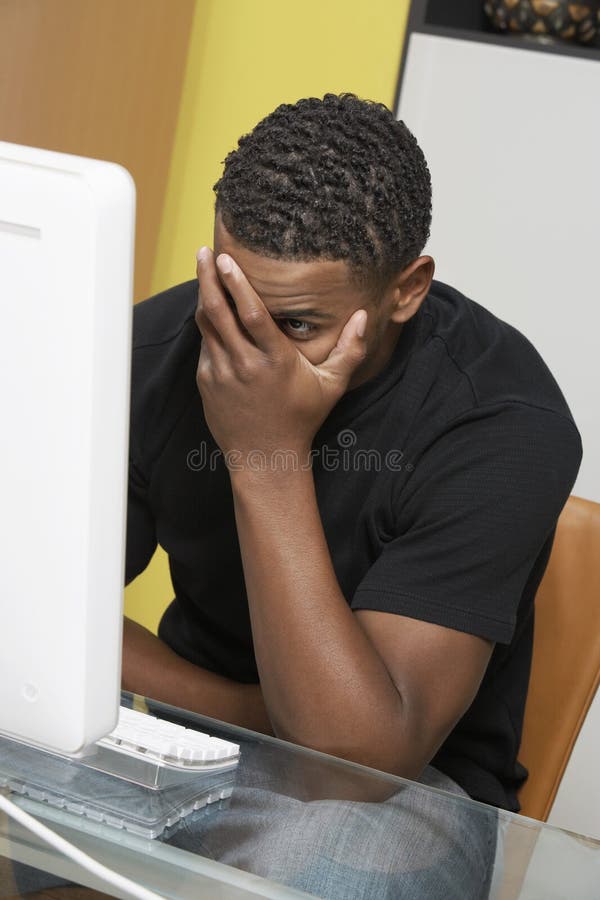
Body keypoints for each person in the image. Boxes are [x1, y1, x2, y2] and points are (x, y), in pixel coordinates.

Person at [122, 93, 581, 898]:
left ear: (406, 290)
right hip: (181, 748)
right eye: (229, 299)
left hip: (409, 794)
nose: (246, 348)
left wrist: (265, 453)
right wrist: (240, 707)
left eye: (296, 325)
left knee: (323, 869)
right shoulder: (154, 351)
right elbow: (35, 621)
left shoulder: (503, 420)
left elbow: (354, 766)